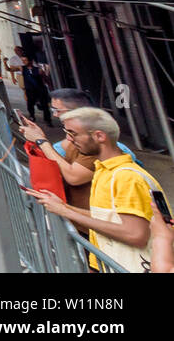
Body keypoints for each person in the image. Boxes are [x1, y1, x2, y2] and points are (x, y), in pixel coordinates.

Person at [26, 107, 164, 271]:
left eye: (73, 133)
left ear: (99, 136)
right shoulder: (104, 170)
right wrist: (63, 207)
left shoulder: (126, 177)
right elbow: (108, 218)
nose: (69, 140)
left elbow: (135, 235)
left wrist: (66, 212)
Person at [18, 88, 135, 212]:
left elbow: (73, 177)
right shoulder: (82, 143)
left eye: (57, 110)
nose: (68, 138)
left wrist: (42, 141)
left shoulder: (94, 147)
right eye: (67, 132)